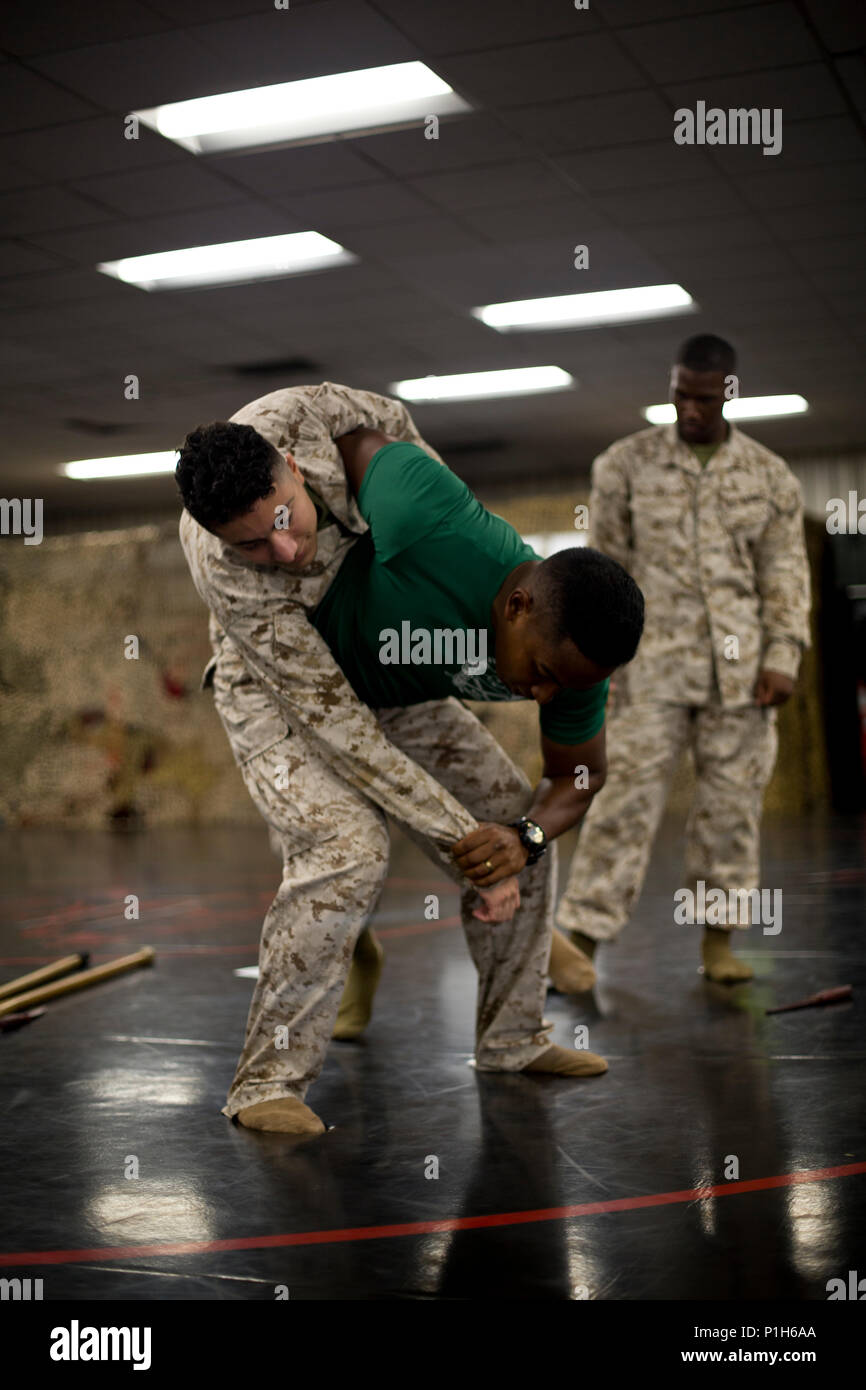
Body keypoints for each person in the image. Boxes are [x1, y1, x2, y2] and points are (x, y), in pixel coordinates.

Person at [177, 383, 644, 1134]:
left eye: (286, 525)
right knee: (347, 845)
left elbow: (577, 778)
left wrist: (514, 843)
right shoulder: (408, 525)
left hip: (394, 683)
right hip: (278, 683)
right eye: (256, 543)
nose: (285, 553)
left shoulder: (567, 654)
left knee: (514, 822)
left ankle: (513, 1039)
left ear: (295, 470)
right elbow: (340, 732)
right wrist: (469, 849)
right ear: (517, 609)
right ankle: (267, 1081)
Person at [555, 334, 810, 984]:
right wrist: (598, 657)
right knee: (622, 803)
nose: (689, 410)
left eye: (702, 398)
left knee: (731, 807)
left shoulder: (768, 475)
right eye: (679, 396)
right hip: (650, 668)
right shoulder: (625, 464)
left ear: (728, 392)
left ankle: (718, 943)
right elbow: (604, 569)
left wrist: (783, 654)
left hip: (742, 675)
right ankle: (581, 940)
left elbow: (784, 571)